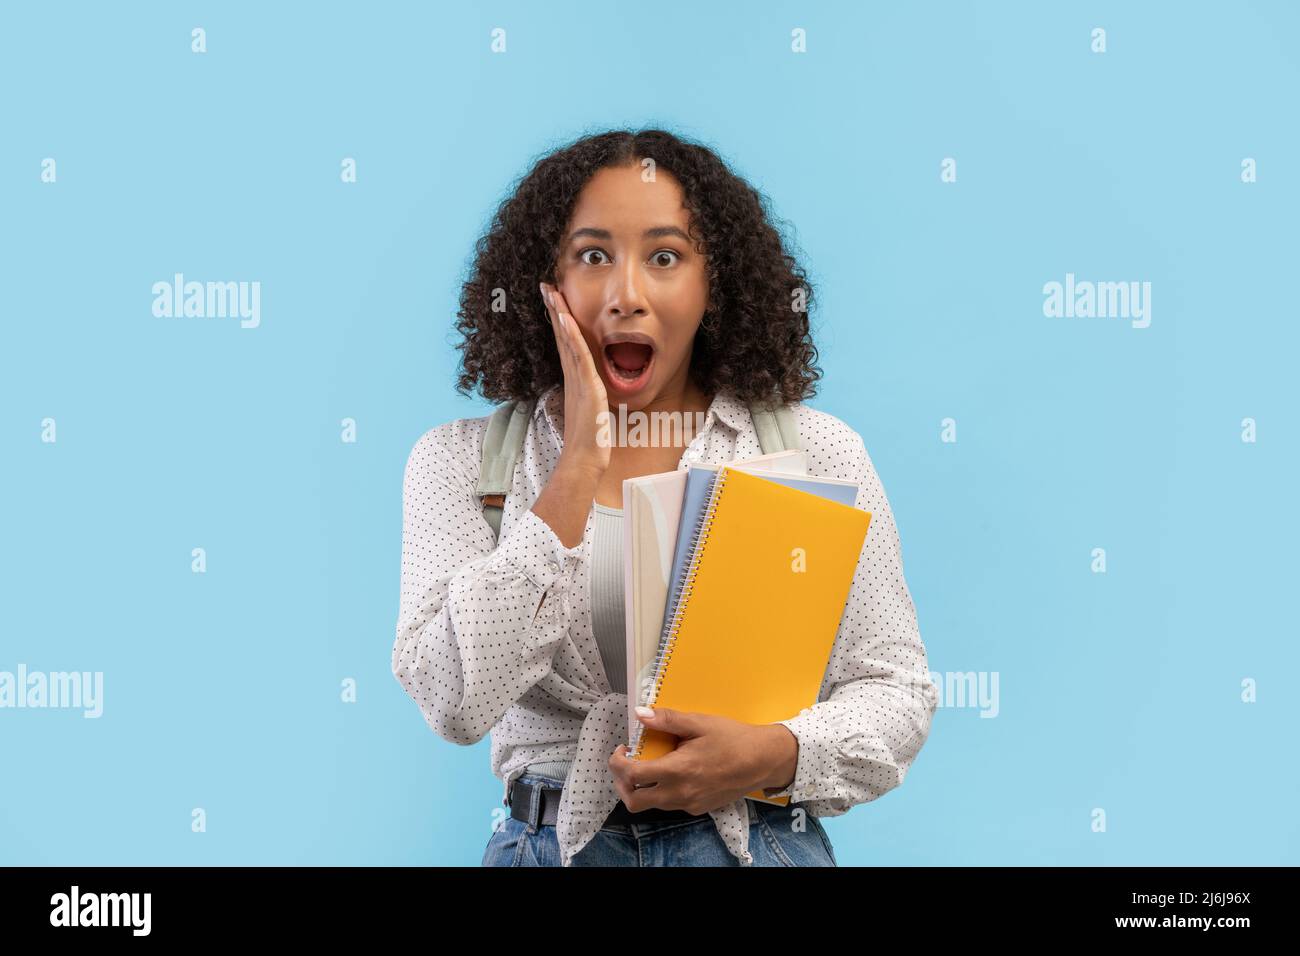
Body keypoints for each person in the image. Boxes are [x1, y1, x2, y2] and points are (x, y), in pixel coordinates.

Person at [392, 128, 938, 866]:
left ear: (715, 284)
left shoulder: (811, 452)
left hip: (751, 842)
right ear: (543, 283)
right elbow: (453, 701)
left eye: (664, 257)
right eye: (593, 256)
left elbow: (897, 691)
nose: (626, 295)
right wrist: (578, 466)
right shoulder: (461, 463)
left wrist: (774, 753)